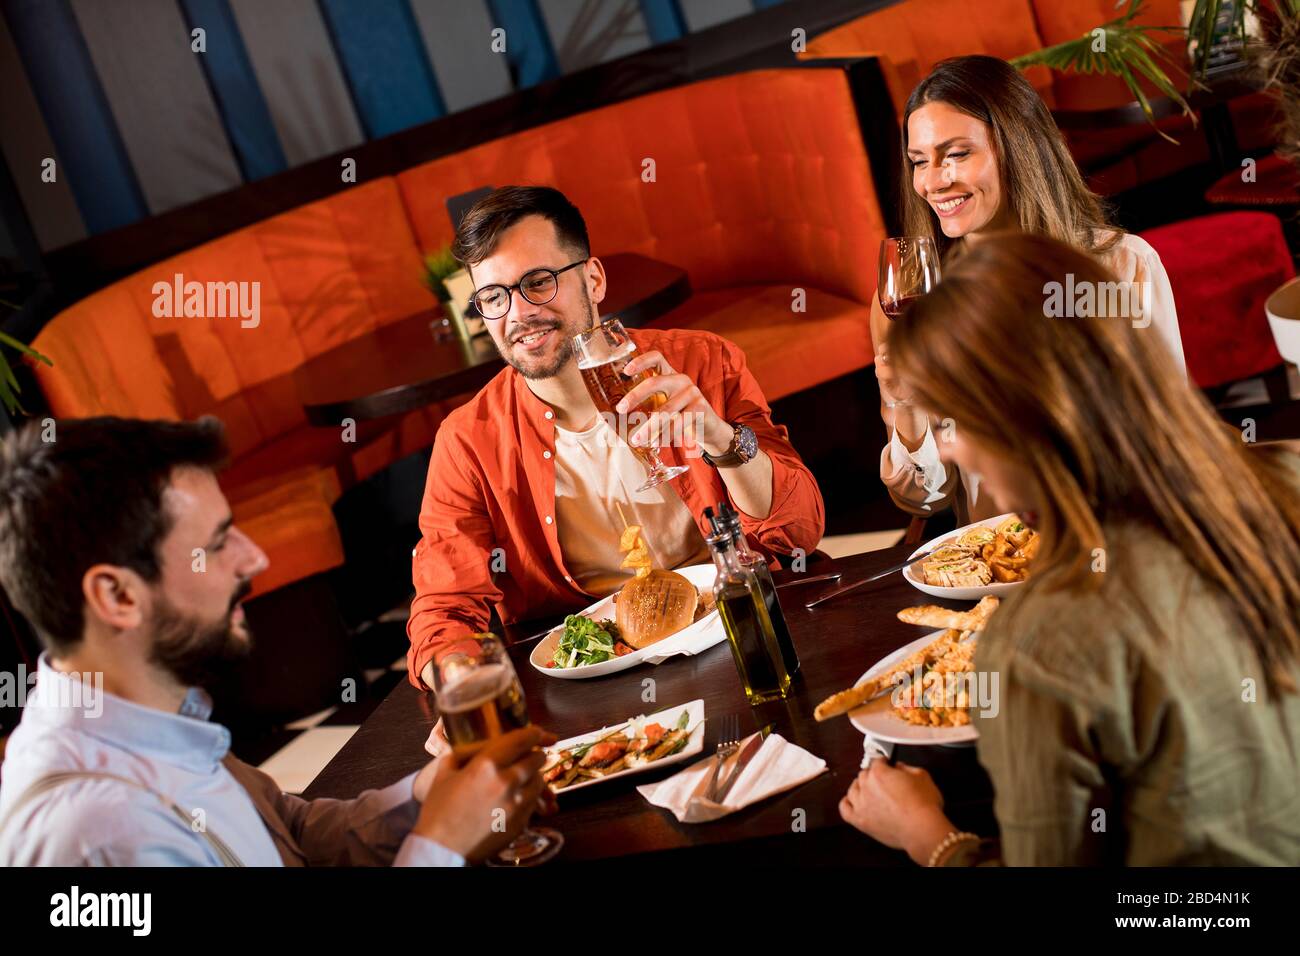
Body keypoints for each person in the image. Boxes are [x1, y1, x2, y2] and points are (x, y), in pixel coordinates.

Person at [840, 233, 1300, 865]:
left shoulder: (1037, 640)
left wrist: (930, 837)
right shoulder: (1286, 472)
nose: (945, 448)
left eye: (951, 422)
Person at [0, 416, 555, 866]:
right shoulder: (98, 835)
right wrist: (441, 847)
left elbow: (289, 833)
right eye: (217, 545)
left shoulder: (150, 719)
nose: (256, 558)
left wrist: (425, 798)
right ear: (117, 596)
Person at [407, 186, 824, 689]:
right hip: (597, 677)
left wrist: (719, 438)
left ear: (594, 279)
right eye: (494, 297)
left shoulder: (701, 362)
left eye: (538, 282)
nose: (518, 314)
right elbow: (444, 610)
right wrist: (465, 692)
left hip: (742, 629)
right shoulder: (468, 441)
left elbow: (799, 532)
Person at [875, 55, 1188, 524]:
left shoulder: (1120, 267)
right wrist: (906, 410)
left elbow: (1168, 440)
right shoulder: (915, 295)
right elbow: (925, 500)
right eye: (920, 161)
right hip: (993, 565)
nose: (934, 181)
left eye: (957, 154)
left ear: (1019, 147)